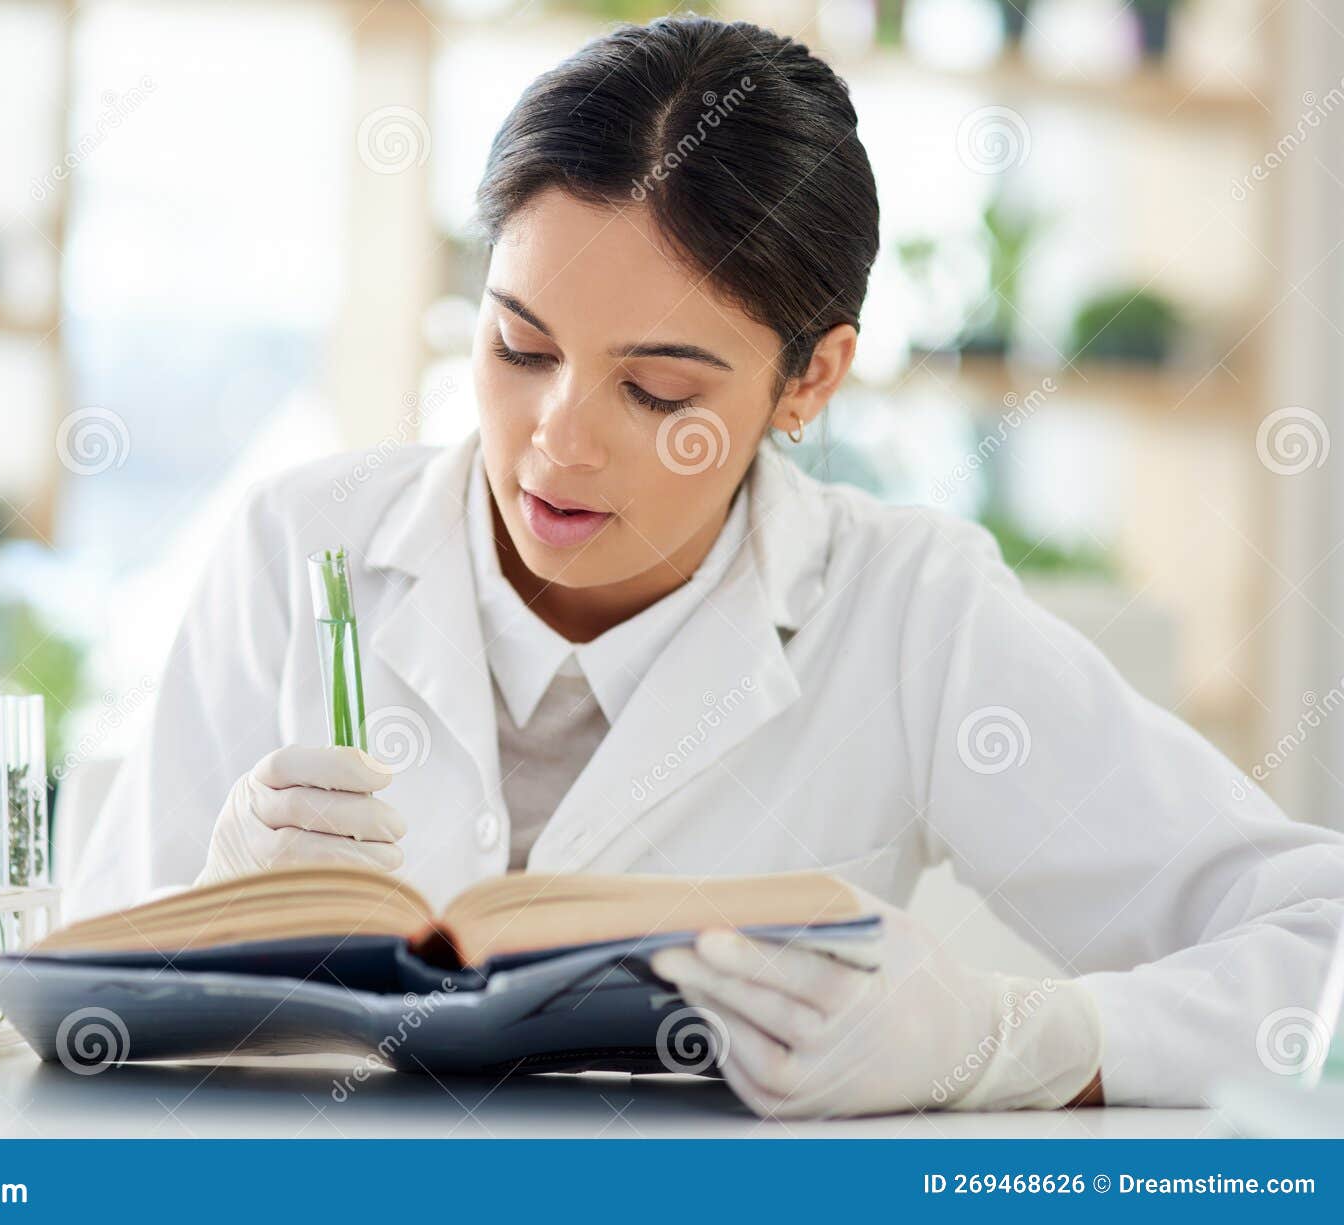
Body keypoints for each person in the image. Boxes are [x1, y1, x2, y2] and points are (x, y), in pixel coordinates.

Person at [68, 15, 1344, 1119]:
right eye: (519, 347)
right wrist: (215, 921)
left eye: (656, 387)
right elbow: (66, 1028)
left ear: (811, 379)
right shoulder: (303, 550)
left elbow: (1319, 956)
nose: (559, 440)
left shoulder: (909, 611)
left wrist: (1002, 1042)